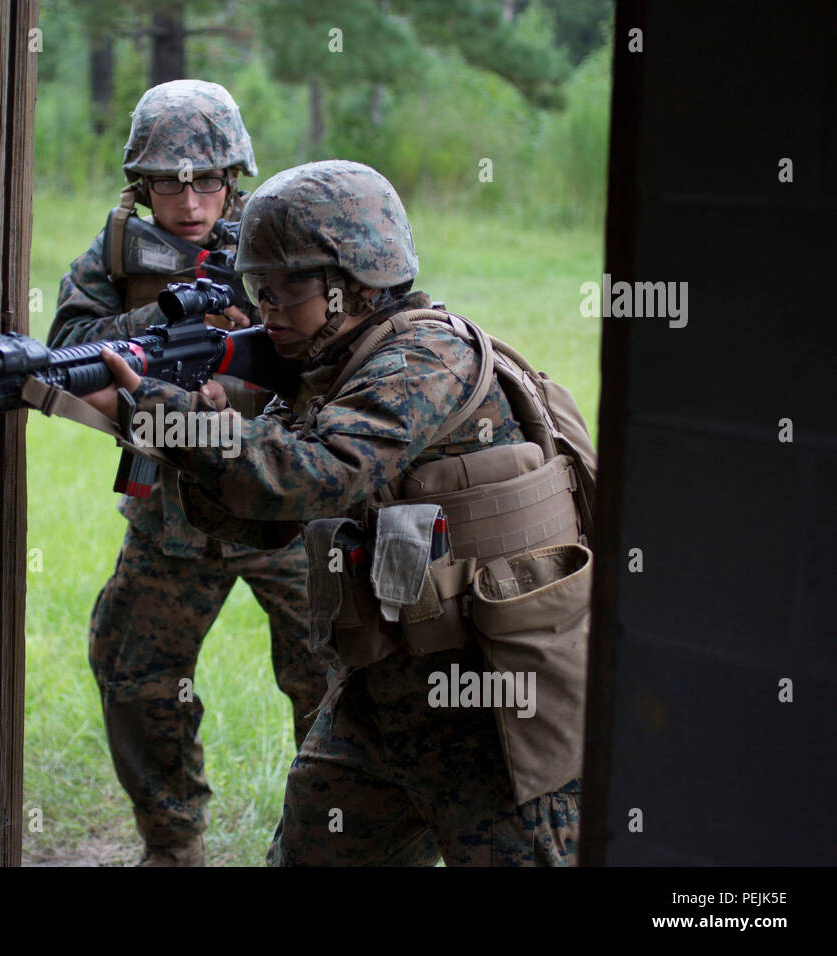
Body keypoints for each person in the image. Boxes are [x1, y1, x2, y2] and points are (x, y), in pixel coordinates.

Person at [79, 159, 591, 866]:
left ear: (352, 285)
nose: (268, 309)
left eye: (288, 287)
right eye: (260, 288)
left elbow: (316, 474)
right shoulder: (330, 369)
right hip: (385, 697)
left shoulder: (423, 358)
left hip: (492, 712)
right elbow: (263, 523)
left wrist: (169, 416)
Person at [46, 80, 327, 867]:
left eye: (207, 179)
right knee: (133, 668)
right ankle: (172, 846)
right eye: (168, 182)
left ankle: (327, 846)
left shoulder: (281, 242)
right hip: (174, 508)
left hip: (283, 497)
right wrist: (164, 320)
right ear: (141, 184)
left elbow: (350, 334)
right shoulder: (116, 255)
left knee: (331, 680)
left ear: (234, 176)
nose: (190, 200)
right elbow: (68, 344)